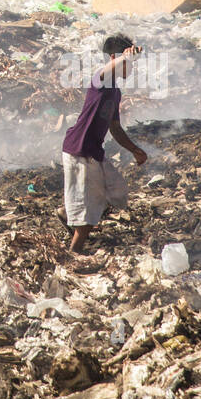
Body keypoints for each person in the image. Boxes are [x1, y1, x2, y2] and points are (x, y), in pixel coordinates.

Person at [61, 34, 148, 253]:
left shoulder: (115, 92)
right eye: (127, 63)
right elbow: (111, 66)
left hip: (93, 152)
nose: (131, 68)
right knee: (87, 220)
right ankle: (73, 256)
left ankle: (64, 212)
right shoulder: (100, 79)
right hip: (79, 150)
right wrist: (126, 57)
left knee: (116, 190)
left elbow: (115, 128)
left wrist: (135, 150)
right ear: (113, 58)